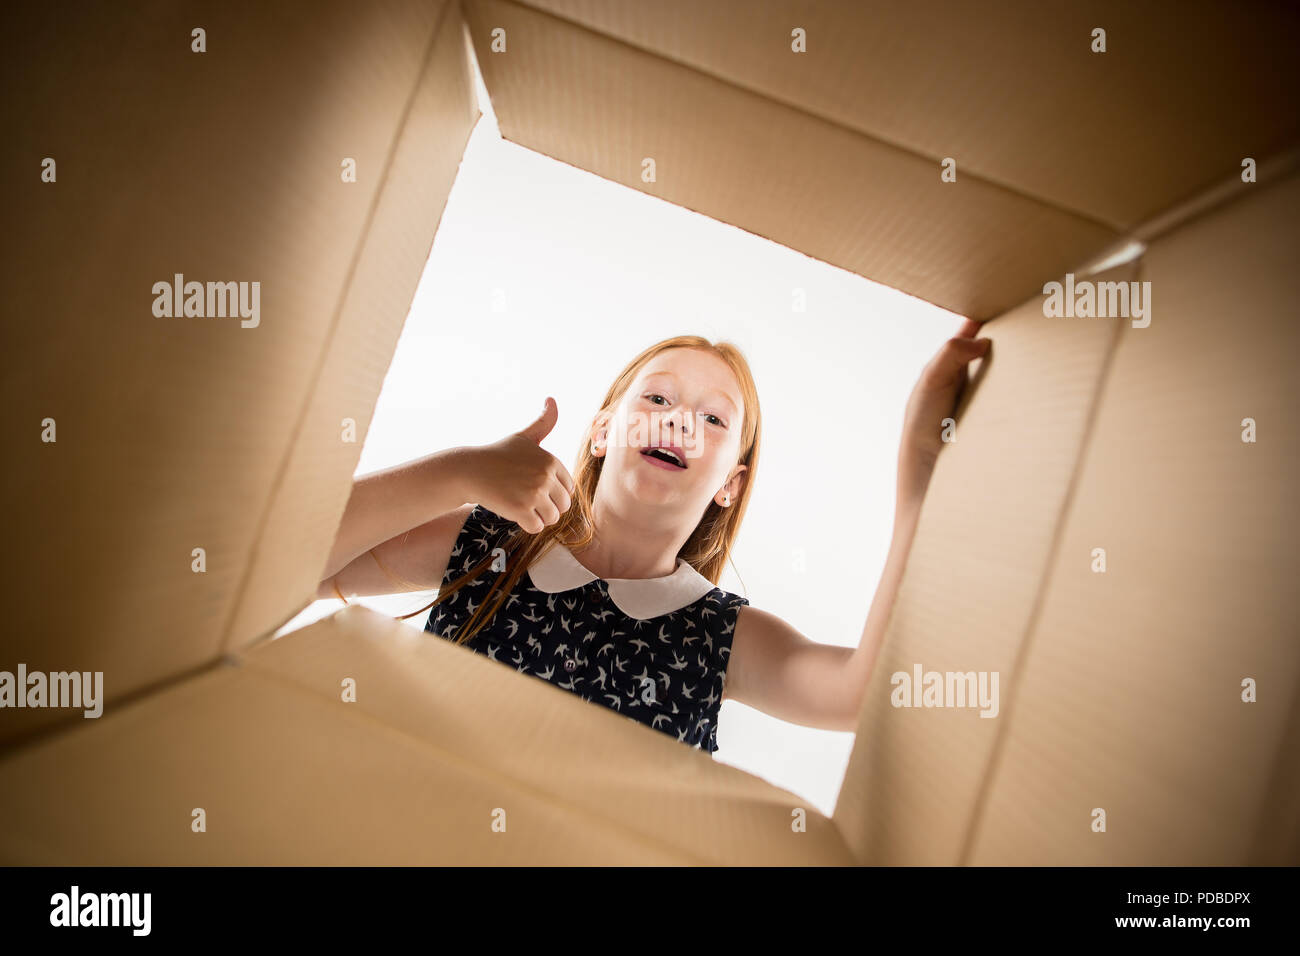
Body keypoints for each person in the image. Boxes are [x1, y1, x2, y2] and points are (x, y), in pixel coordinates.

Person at [317, 327, 990, 754]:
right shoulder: (491, 546)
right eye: (659, 400)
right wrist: (457, 469)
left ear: (731, 482)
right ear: (604, 431)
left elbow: (862, 697)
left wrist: (919, 467)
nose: (681, 425)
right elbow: (293, 559)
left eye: (714, 418)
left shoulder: (720, 638)